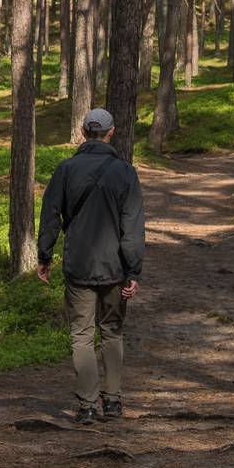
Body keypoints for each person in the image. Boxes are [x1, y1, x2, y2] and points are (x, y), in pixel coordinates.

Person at [36, 108, 145, 425]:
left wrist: (45, 256)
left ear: (84, 132)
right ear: (111, 133)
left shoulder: (66, 169)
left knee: (81, 335)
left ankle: (86, 406)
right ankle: (112, 402)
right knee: (112, 332)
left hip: (78, 266)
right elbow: (133, 227)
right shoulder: (125, 172)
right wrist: (133, 269)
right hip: (115, 268)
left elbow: (50, 214)